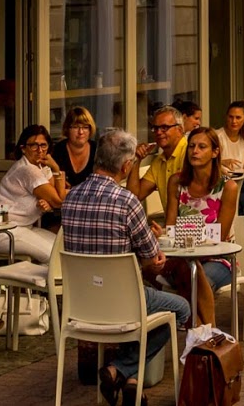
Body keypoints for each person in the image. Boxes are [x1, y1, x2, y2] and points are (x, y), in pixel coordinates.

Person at [60, 130, 190, 406]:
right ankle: (121, 369)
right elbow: (152, 257)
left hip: (80, 302)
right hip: (122, 300)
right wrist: (157, 252)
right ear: (126, 166)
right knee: (180, 308)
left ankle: (131, 382)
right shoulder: (126, 201)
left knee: (143, 303)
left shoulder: (70, 198)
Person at [160, 127, 239, 325]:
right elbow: (170, 227)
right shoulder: (176, 182)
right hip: (182, 257)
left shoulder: (228, 187)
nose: (194, 151)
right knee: (176, 271)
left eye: (202, 147)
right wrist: (161, 233)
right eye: (192, 147)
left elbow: (219, 237)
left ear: (215, 152)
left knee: (195, 276)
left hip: (218, 258)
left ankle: (198, 331)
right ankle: (205, 335)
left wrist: (186, 242)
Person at [0, 125, 61, 263]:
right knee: (54, 256)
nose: (40, 150)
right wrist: (57, 169)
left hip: (22, 227)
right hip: (0, 233)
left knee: (61, 248)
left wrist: (49, 200)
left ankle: (44, 283)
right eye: (34, 146)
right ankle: (41, 284)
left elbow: (53, 196)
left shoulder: (40, 168)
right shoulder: (27, 170)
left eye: (43, 145)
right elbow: (58, 200)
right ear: (23, 148)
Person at [126, 105, 187, 213]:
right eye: (156, 128)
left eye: (164, 128)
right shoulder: (159, 162)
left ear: (180, 130)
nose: (158, 132)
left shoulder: (191, 153)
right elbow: (134, 196)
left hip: (198, 226)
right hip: (173, 227)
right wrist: (137, 159)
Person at [51, 106, 97, 193]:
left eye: (85, 127)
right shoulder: (57, 150)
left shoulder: (97, 150)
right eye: (75, 127)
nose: (81, 132)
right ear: (67, 129)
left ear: (90, 129)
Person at [217, 101, 244, 173]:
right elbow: (208, 164)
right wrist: (222, 162)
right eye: (231, 117)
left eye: (238, 117)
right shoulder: (219, 136)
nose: (234, 121)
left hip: (240, 179)